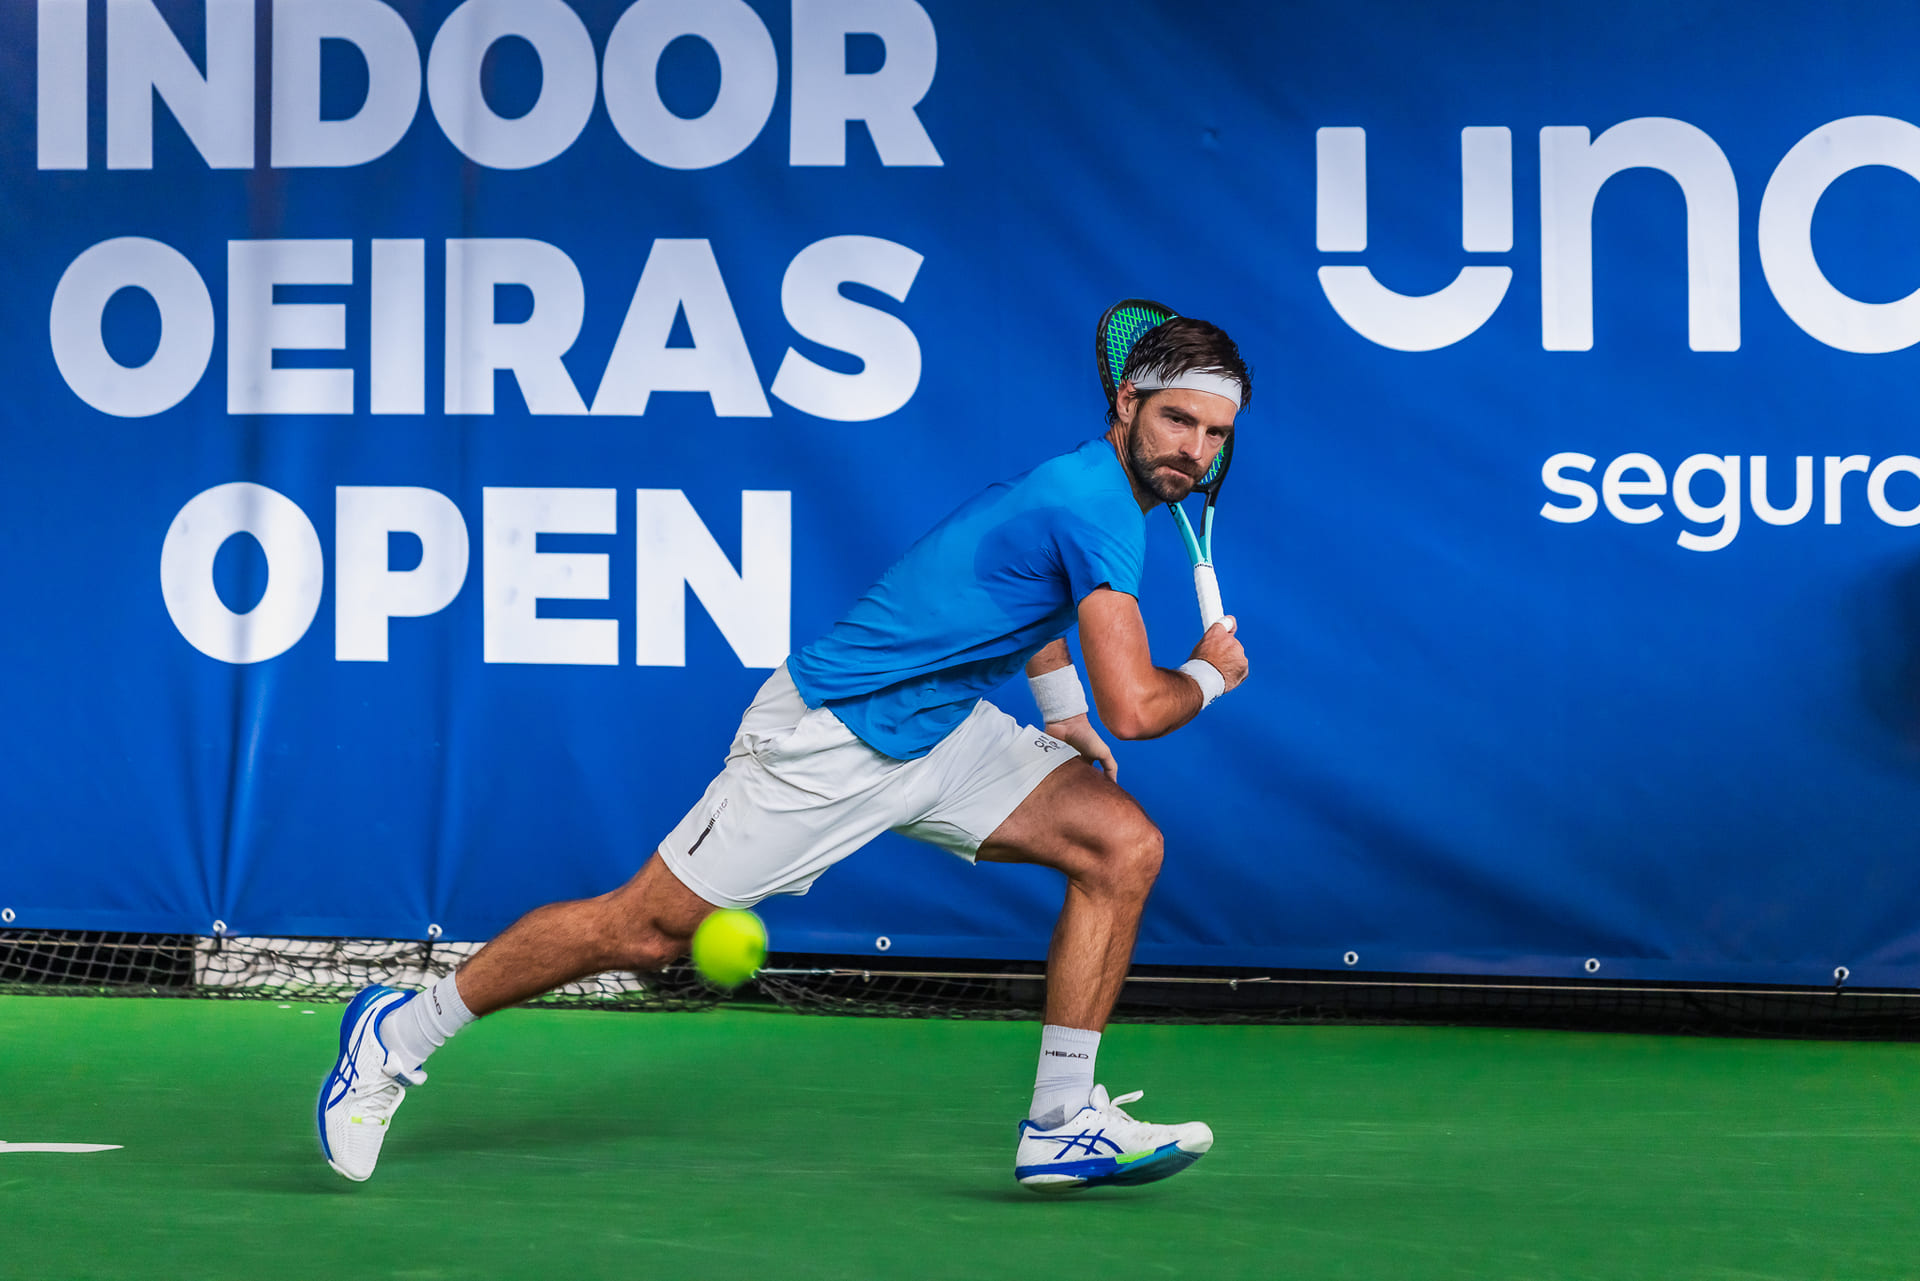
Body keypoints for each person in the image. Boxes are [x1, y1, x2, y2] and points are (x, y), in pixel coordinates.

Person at [318, 314, 1252, 1192]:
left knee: (1120, 845)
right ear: (1127, 401)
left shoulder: (1080, 485)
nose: (1194, 452)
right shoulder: (1097, 504)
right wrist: (1208, 675)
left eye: (1214, 434)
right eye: (1177, 420)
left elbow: (1032, 602)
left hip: (940, 725)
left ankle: (1060, 1122)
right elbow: (1137, 709)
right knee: (644, 928)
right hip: (833, 737)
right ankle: (399, 1030)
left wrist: (1058, 712)